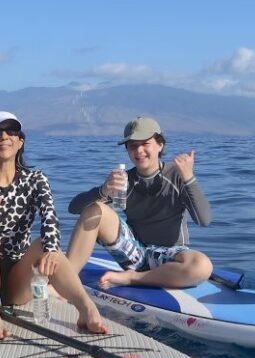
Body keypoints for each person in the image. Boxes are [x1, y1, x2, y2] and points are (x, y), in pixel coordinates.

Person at [0, 111, 108, 340]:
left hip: (15, 280)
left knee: (47, 245)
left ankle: (86, 308)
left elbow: (50, 220)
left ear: (20, 141)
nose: (4, 137)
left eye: (11, 131)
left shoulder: (35, 180)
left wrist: (51, 251)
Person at [67, 116, 213, 289]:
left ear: (160, 145)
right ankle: (65, 281)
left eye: (145, 143)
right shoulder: (123, 180)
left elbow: (204, 220)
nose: (139, 151)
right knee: (96, 209)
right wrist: (103, 190)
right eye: (133, 146)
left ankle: (133, 278)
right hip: (133, 253)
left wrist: (189, 179)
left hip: (168, 257)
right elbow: (74, 208)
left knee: (202, 266)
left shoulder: (177, 175)